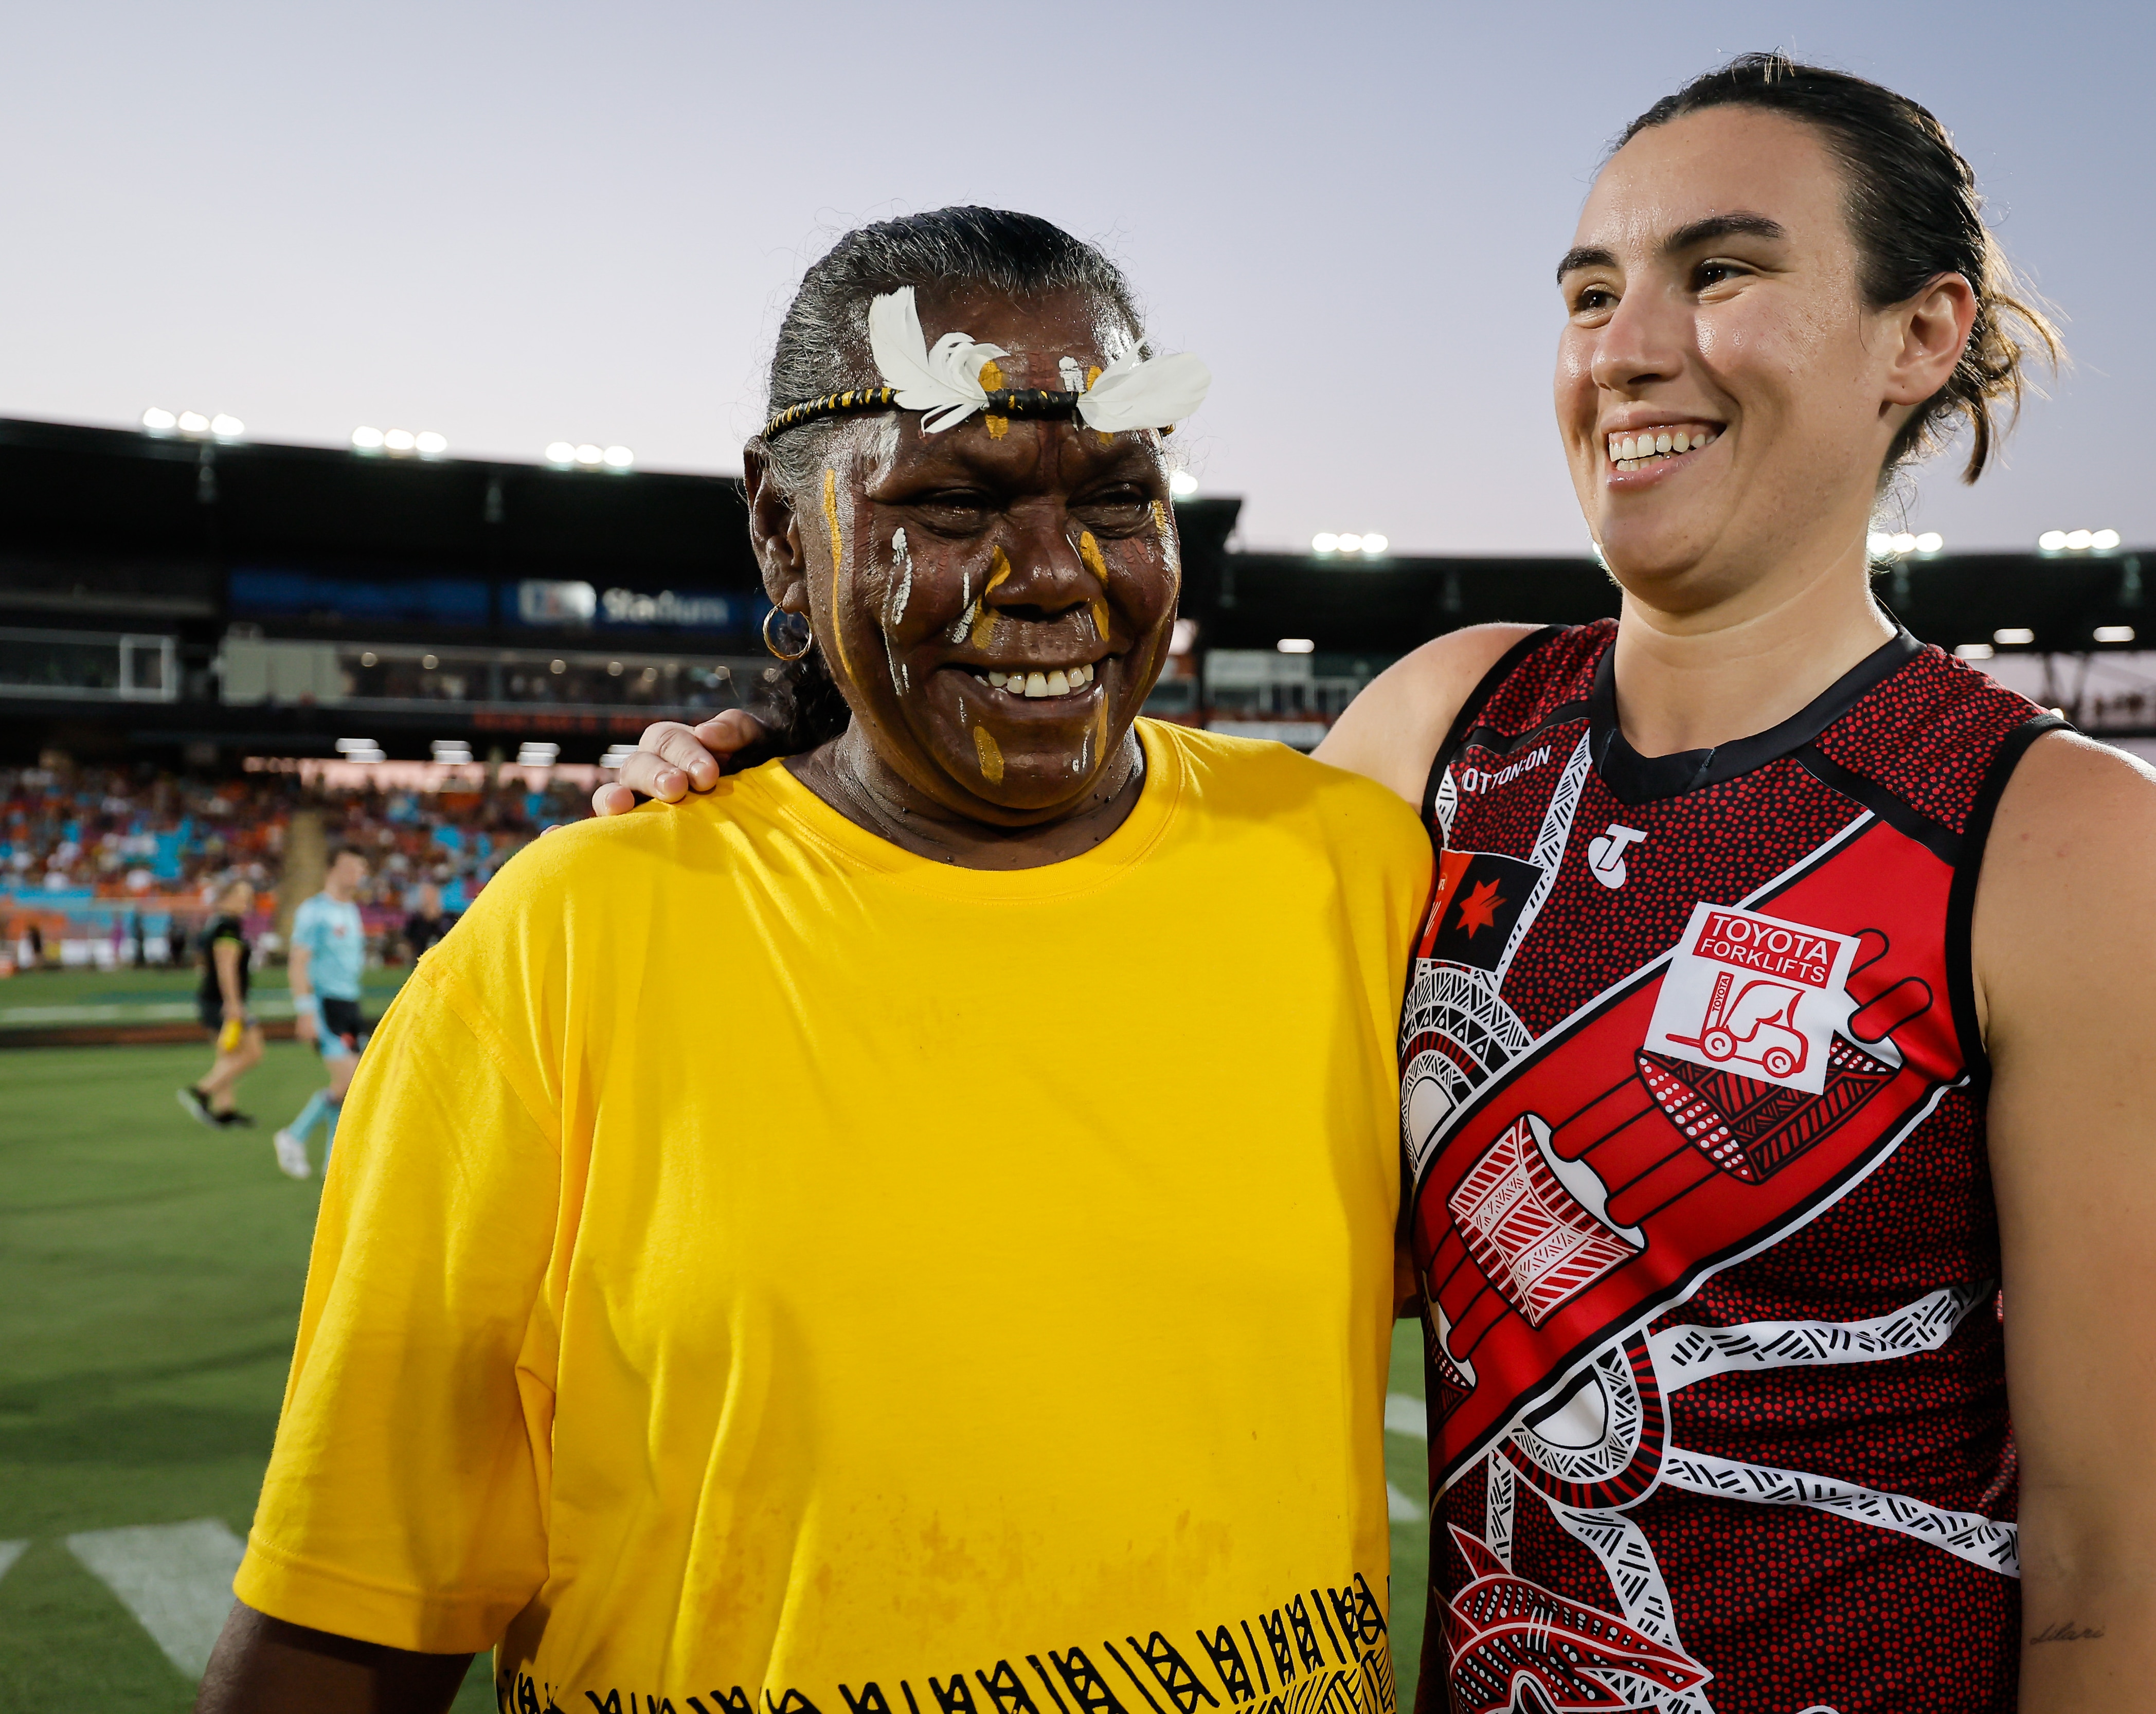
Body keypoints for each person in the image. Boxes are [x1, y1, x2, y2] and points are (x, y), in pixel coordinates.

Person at [608, 58, 2156, 1713]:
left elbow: (2127, 1560)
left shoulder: (2056, 839)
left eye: (1720, 271)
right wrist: (809, 759)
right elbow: (1083, 939)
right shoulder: (1442, 730)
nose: (1624, 347)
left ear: (1919, 335)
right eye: (1590, 293)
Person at [196, 208, 1423, 1714]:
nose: (1056, 573)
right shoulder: (567, 942)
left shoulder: (1353, 872)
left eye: (1116, 495)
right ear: (783, 530)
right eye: (955, 503)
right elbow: (348, 1619)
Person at [272, 846, 371, 1180]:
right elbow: (298, 962)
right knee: (351, 1082)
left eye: (360, 867)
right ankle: (293, 1135)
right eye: (350, 866)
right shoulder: (314, 911)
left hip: (350, 1004)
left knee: (348, 1086)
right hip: (327, 1005)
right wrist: (305, 1011)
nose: (356, 873)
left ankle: (333, 1160)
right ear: (332, 869)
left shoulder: (352, 910)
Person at [178, 875, 264, 1129]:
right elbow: (227, 967)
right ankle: (201, 1091)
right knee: (253, 1052)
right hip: (222, 1002)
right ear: (225, 898)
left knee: (229, 1055)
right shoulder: (228, 926)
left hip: (212, 999)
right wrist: (233, 1003)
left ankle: (225, 1110)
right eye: (241, 896)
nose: (247, 902)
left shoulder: (217, 923)